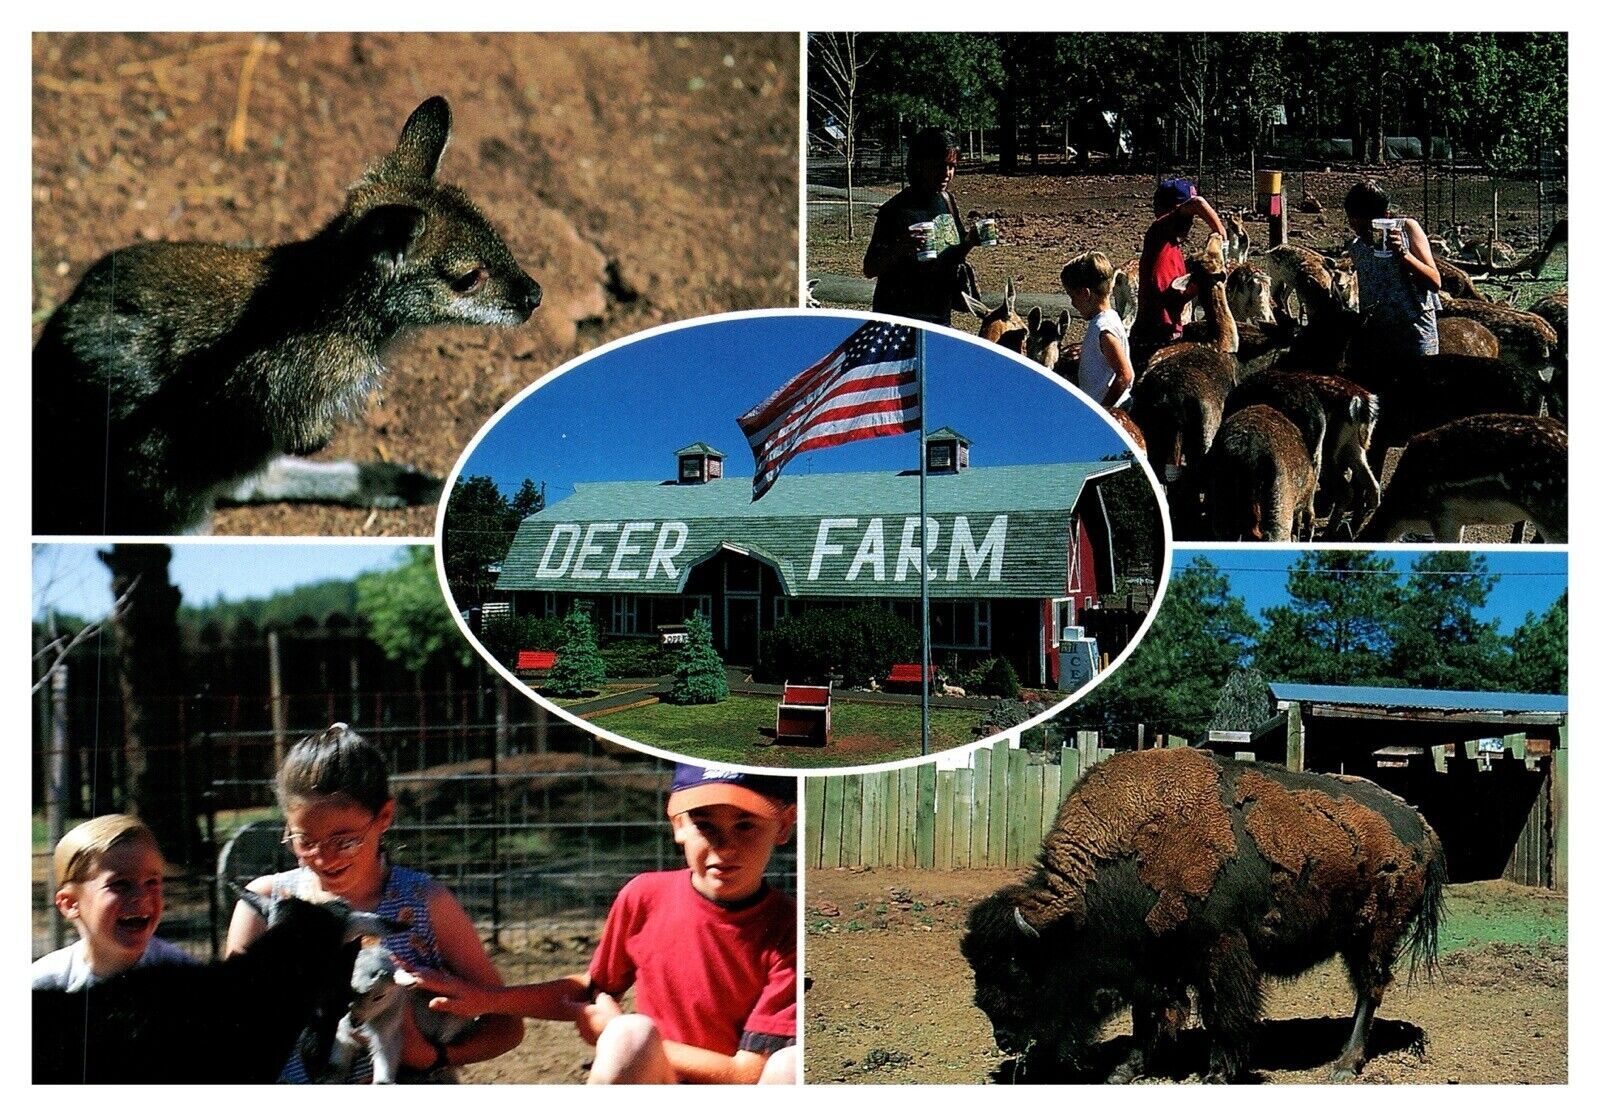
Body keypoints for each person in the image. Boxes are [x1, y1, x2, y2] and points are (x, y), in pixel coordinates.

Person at [406, 764, 799, 1084]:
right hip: (658, 1084)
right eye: (704, 824)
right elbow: (592, 991)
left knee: (789, 1067)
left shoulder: (789, 930)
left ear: (784, 825)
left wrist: (610, 1031)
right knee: (630, 1036)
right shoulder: (644, 896)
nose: (724, 846)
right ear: (678, 824)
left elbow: (748, 1073)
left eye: (745, 825)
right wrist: (484, 998)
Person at [225, 723, 523, 1083]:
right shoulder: (268, 904)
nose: (323, 858)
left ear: (384, 817)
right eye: (304, 840)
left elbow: (506, 1023)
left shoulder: (426, 903)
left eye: (345, 841)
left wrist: (434, 1055)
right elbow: (229, 1030)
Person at [33, 814, 196, 991]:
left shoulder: (186, 979)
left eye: (151, 882)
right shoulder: (44, 984)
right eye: (120, 884)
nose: (141, 896)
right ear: (70, 903)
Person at [862, 127, 980, 326]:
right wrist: (901, 248)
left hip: (940, 314)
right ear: (919, 165)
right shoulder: (895, 210)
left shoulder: (947, 201)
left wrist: (969, 242)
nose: (947, 173)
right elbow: (870, 268)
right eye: (939, 166)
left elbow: (952, 254)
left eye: (952, 166)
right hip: (900, 319)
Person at [1128, 177, 1226, 370]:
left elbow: (1174, 295)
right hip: (1152, 333)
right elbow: (1198, 203)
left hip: (1168, 330)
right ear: (1166, 211)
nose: (1190, 224)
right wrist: (1221, 235)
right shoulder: (1159, 232)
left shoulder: (1173, 250)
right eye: (1187, 218)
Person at [1343, 179, 1442, 360]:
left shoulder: (1407, 229)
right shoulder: (1356, 248)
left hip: (1415, 330)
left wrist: (1403, 254)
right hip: (1378, 334)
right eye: (1354, 222)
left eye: (1366, 224)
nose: (1360, 229)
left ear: (1385, 216)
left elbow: (1434, 281)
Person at [1060, 251, 1135, 410]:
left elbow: (1125, 375)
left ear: (1085, 294)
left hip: (1113, 409)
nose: (1073, 303)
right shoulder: (1107, 319)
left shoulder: (1104, 329)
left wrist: (1103, 410)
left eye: (1072, 296)